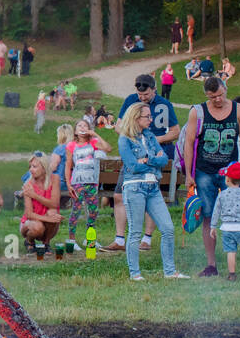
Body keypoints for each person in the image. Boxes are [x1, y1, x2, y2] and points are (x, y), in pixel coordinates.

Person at [102, 74, 181, 254]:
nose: (142, 98)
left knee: (151, 195)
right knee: (119, 195)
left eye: (146, 95)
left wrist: (152, 140)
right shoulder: (131, 101)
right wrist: (133, 138)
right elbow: (118, 126)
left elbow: (176, 131)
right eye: (140, 95)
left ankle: (146, 238)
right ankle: (119, 239)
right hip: (133, 152)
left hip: (155, 155)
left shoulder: (164, 105)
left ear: (154, 89)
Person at [182, 76, 240, 277]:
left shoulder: (238, 110)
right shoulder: (198, 112)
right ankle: (211, 264)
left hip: (230, 170)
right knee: (208, 215)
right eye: (213, 97)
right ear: (207, 96)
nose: (218, 100)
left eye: (221, 95)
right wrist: (189, 173)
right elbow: (188, 143)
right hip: (205, 170)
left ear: (225, 89)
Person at [116, 103, 188, 281]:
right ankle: (135, 273)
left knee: (168, 228)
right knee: (134, 232)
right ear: (135, 118)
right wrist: (152, 160)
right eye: (147, 116)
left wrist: (146, 160)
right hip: (135, 188)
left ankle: (170, 272)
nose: (151, 120)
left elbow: (163, 159)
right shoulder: (124, 139)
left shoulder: (149, 136)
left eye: (150, 116)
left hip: (153, 187)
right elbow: (131, 166)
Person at [65, 118, 110, 255]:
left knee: (93, 210)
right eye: (79, 125)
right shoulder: (71, 145)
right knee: (76, 210)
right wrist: (68, 184)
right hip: (77, 182)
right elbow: (68, 166)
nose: (82, 127)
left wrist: (95, 134)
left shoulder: (94, 143)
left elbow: (108, 148)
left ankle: (90, 239)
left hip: (91, 182)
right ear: (75, 131)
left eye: (85, 125)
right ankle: (71, 240)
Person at [20, 153, 62, 257]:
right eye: (30, 166)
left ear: (44, 168)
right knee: (38, 227)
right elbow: (29, 214)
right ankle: (29, 242)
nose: (31, 170)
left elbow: (55, 203)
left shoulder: (55, 179)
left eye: (34, 167)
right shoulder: (28, 185)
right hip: (30, 222)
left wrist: (35, 195)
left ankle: (46, 244)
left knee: (53, 212)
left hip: (47, 220)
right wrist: (48, 219)